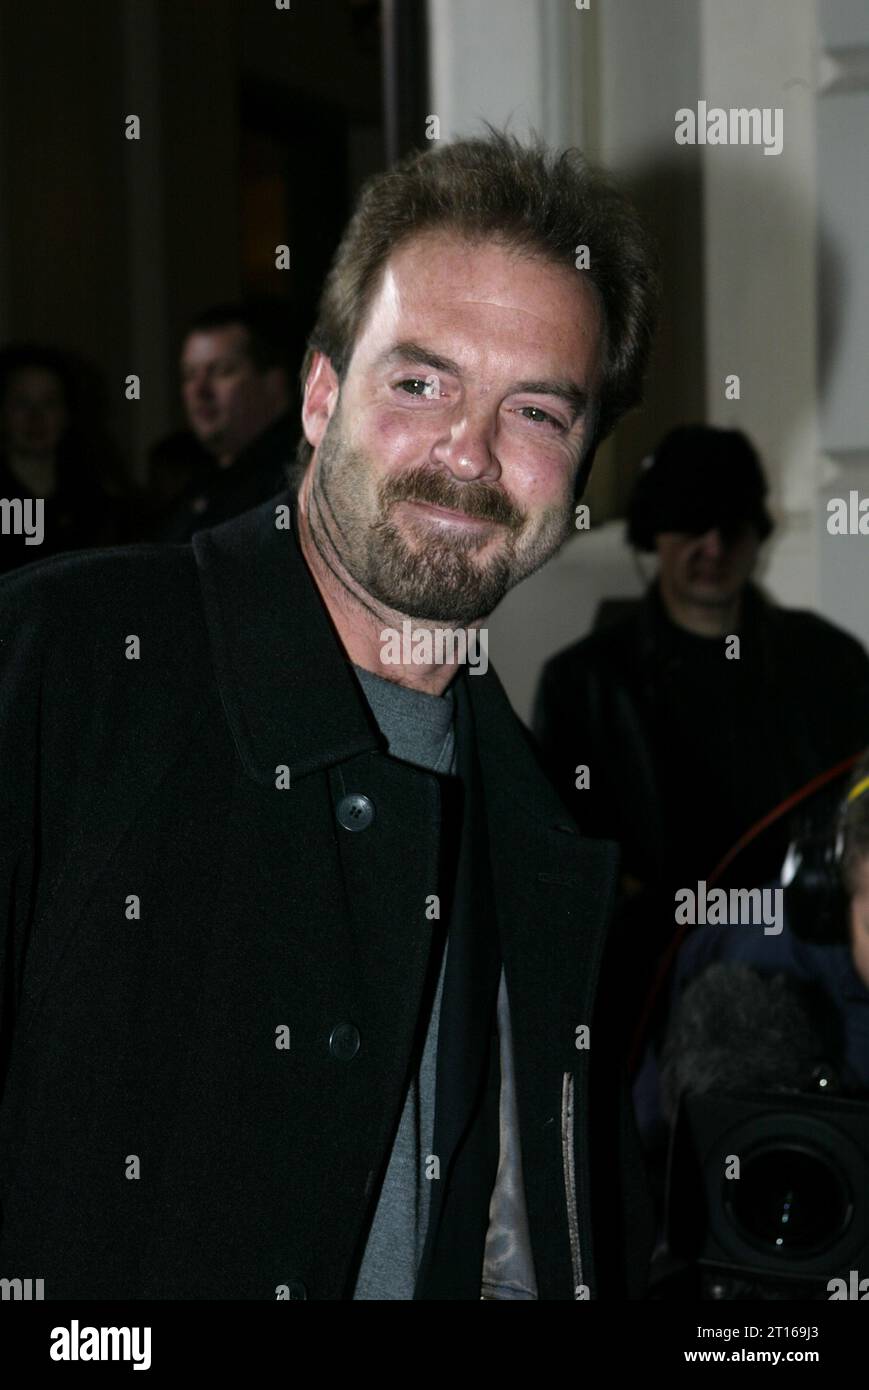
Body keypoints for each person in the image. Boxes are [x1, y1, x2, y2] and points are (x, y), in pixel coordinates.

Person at [0, 127, 658, 1301]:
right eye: (419, 382)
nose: (466, 453)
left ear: (580, 472)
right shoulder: (61, 668)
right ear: (317, 395)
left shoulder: (539, 840)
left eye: (537, 414)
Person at [532, 426, 869, 1050]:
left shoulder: (833, 665)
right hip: (651, 998)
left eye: (732, 526)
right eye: (692, 524)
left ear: (757, 535)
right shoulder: (583, 686)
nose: (714, 546)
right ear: (652, 534)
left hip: (813, 977)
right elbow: (562, 865)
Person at [143, 301, 295, 541]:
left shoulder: (294, 485)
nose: (199, 390)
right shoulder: (194, 487)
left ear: (273, 385)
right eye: (189, 375)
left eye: (222, 371)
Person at [0, 344, 123, 573]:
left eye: (49, 403)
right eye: (21, 403)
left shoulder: (96, 496)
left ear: (67, 413)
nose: (35, 417)